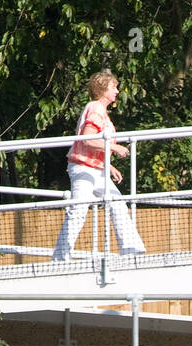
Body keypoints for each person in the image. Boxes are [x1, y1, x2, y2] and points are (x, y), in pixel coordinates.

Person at [52, 69, 146, 260]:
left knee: (117, 204)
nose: (117, 92)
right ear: (103, 89)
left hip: (96, 169)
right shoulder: (95, 108)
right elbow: (86, 140)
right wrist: (115, 147)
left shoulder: (100, 110)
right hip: (83, 169)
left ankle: (132, 250)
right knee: (78, 210)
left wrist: (108, 166)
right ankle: (60, 258)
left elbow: (94, 146)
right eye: (114, 87)